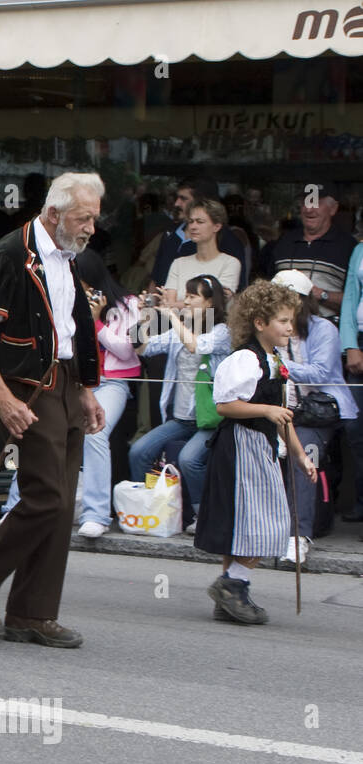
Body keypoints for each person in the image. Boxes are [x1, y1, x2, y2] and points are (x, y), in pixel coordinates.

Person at [0, 172, 105, 649]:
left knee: (61, 506)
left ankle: (32, 614)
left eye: (94, 219)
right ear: (54, 214)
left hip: (65, 384)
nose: (91, 228)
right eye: (84, 218)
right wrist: (1, 397)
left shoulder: (68, 255)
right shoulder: (11, 255)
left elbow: (68, 329)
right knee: (47, 498)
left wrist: (86, 389)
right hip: (27, 389)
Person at [195, 281, 316, 624]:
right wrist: (264, 410)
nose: (290, 327)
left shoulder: (273, 360)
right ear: (260, 323)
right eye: (282, 320)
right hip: (241, 446)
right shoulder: (245, 360)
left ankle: (231, 593)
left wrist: (301, 457)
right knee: (263, 524)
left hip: (260, 445)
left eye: (291, 320)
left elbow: (283, 416)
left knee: (247, 526)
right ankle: (232, 584)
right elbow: (225, 406)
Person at [129, 275, 230, 531]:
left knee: (188, 459)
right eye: (186, 295)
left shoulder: (222, 331)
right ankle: (150, 510)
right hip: (182, 418)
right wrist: (144, 316)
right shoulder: (179, 330)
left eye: (193, 296)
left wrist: (173, 316)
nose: (186, 301)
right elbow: (142, 348)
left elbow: (197, 345)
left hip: (210, 418)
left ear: (209, 302)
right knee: (139, 451)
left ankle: (201, 515)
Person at [271, 269, 358, 561]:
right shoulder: (269, 327)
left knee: (304, 455)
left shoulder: (324, 329)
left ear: (300, 301)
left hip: (320, 410)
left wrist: (279, 365)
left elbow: (321, 373)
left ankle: (299, 536)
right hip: (279, 409)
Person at [75, 249, 142, 537]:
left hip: (112, 382)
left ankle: (96, 514)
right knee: (41, 428)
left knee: (96, 431)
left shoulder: (129, 304)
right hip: (75, 381)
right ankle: (19, 507)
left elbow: (128, 349)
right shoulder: (66, 300)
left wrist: (96, 321)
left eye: (79, 281)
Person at [260, 185, 353, 318]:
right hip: (282, 329)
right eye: (306, 202)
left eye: (316, 203)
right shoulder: (284, 242)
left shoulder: (348, 246)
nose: (309, 209)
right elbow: (265, 286)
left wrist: (321, 294)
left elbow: (356, 301)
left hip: (326, 329)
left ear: (333, 209)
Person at [151, 177, 248, 291]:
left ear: (201, 202)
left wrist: (181, 305)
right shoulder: (170, 233)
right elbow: (156, 279)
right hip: (166, 306)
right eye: (177, 198)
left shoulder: (228, 241)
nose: (177, 203)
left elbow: (229, 296)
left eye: (184, 199)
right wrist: (150, 306)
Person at [334, 241, 363, 521]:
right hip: (360, 344)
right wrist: (350, 345)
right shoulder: (359, 250)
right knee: (354, 426)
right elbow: (351, 299)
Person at [163, 199, 242, 300]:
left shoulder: (230, 263)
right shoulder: (178, 263)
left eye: (200, 222)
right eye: (190, 222)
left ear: (217, 226)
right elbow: (169, 304)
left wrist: (175, 305)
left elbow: (214, 303)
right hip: (177, 316)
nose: (193, 226)